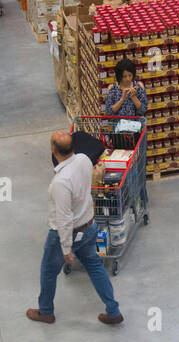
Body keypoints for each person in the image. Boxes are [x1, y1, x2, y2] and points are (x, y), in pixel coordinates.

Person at [26, 130, 124, 327]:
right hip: (89, 227)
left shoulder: (60, 182)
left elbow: (64, 219)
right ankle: (113, 311)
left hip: (69, 233)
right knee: (95, 266)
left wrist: (66, 249)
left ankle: (45, 311)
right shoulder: (84, 160)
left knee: (48, 271)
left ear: (53, 151)